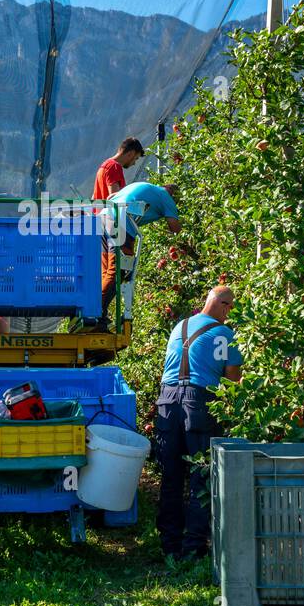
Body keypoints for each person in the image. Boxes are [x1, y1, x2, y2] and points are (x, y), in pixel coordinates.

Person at [155, 285, 242, 561]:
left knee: (170, 476)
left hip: (167, 402)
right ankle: (194, 547)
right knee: (200, 475)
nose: (230, 315)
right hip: (199, 403)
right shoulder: (224, 334)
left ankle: (169, 545)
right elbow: (232, 379)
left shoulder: (179, 326)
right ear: (224, 306)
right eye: (230, 308)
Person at [97, 181, 181, 326]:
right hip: (120, 224)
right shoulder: (166, 196)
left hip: (103, 218)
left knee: (107, 272)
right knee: (119, 269)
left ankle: (96, 313)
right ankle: (95, 312)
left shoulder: (143, 186)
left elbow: (111, 196)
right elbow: (175, 227)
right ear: (172, 193)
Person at [92, 137, 145, 202]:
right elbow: (115, 199)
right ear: (131, 153)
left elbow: (94, 196)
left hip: (99, 211)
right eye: (136, 158)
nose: (134, 163)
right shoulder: (114, 167)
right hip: (108, 212)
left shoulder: (104, 165)